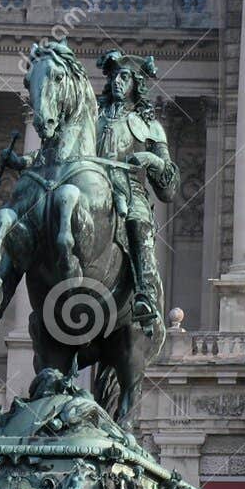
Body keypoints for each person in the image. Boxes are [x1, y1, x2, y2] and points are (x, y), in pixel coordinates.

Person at [95, 51, 178, 328]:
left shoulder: (150, 126)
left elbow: (168, 189)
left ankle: (146, 295)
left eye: (124, 76)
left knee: (139, 222)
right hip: (92, 183)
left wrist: (152, 160)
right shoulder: (91, 118)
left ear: (136, 83)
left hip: (131, 192)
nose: (117, 81)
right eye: (114, 76)